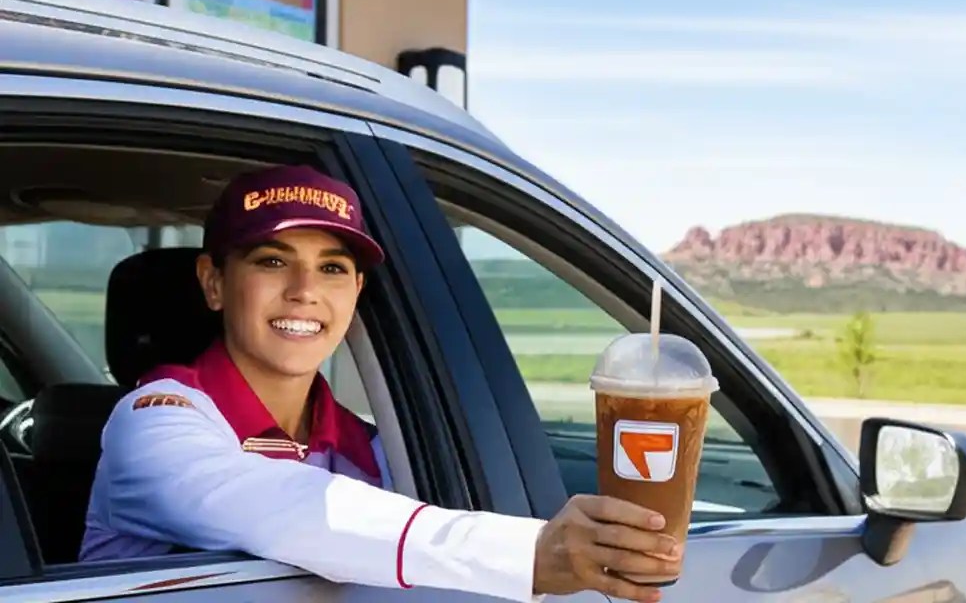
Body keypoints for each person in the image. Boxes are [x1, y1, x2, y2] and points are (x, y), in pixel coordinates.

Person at [80, 164, 681, 603]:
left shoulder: (373, 450)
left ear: (356, 293)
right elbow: (293, 511)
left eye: (333, 268)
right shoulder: (155, 422)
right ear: (213, 283)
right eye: (271, 260)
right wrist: (532, 553)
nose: (304, 290)